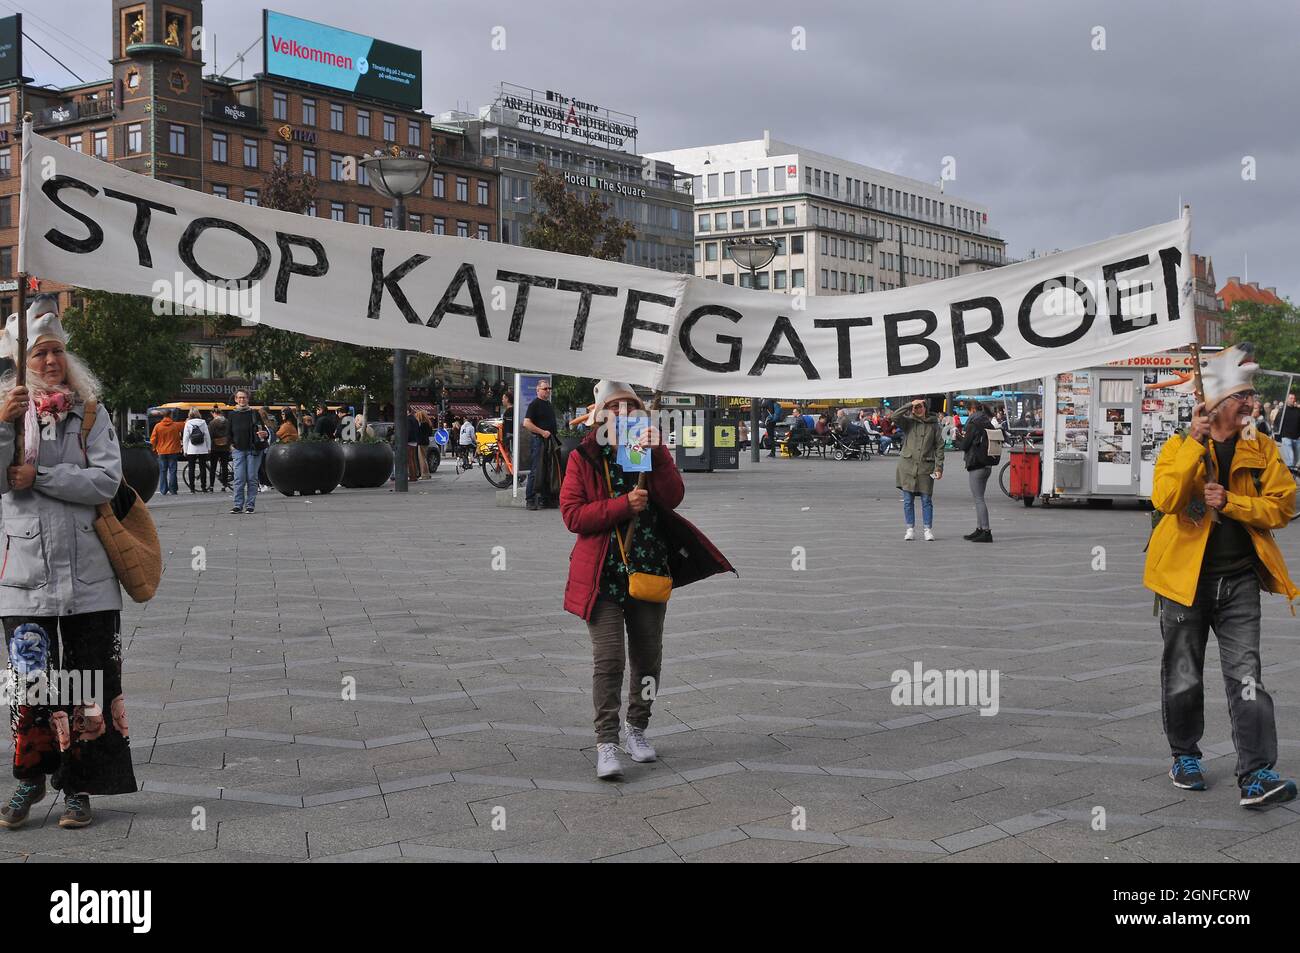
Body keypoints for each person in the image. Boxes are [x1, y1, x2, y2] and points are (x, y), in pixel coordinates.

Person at [0, 299, 136, 829]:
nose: (50, 361)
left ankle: (80, 788)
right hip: (22, 573)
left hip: (90, 575)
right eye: (39, 354)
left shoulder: (91, 410)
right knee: (32, 684)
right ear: (21, 363)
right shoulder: (7, 409)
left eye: (56, 351)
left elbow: (105, 480)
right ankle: (31, 781)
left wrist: (43, 478)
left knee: (89, 682)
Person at [1144, 344, 1298, 808]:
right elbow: (1166, 499)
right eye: (1243, 396)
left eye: (1251, 396)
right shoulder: (1179, 445)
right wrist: (1194, 442)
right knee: (1184, 674)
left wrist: (1232, 503)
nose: (1251, 403)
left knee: (1247, 674)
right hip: (1183, 583)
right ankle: (1184, 755)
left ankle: (1256, 772)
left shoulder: (1262, 447)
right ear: (1216, 403)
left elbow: (1285, 505)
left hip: (1238, 582)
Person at [559, 380, 733, 780]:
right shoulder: (584, 455)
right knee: (609, 661)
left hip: (648, 569)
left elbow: (672, 497)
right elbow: (573, 516)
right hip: (602, 574)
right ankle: (606, 741)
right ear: (600, 413)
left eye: (629, 407)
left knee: (648, 659)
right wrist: (623, 505)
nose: (622, 414)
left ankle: (637, 729)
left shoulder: (644, 446)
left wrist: (657, 453)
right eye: (614, 408)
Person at [892, 397, 944, 540]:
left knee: (926, 499)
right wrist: (910, 404)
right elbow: (894, 416)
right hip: (907, 467)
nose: (917, 409)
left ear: (925, 408)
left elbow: (939, 446)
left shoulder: (934, 425)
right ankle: (910, 529)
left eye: (920, 407)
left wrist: (939, 467)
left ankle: (928, 529)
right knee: (908, 500)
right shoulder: (908, 422)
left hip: (925, 467)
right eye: (915, 408)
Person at [956, 402, 994, 542]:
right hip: (987, 464)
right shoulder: (987, 422)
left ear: (972, 410)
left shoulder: (974, 423)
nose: (968, 413)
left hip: (976, 464)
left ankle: (986, 530)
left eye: (968, 411)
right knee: (980, 498)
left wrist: (957, 439)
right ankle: (979, 528)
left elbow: (965, 445)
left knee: (978, 499)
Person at [228, 389, 268, 514]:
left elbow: (263, 432)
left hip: (253, 450)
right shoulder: (232, 414)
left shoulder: (254, 413)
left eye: (244, 397)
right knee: (239, 478)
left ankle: (250, 505)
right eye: (239, 398)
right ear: (235, 399)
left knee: (252, 477)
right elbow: (228, 433)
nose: (242, 400)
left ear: (248, 399)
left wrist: (264, 434)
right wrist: (231, 446)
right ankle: (238, 505)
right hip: (238, 450)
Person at [523, 379, 558, 510]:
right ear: (538, 390)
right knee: (536, 469)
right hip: (539, 440)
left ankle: (545, 498)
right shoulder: (535, 404)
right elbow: (526, 423)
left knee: (548, 469)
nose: (548, 391)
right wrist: (542, 432)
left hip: (549, 441)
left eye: (549, 388)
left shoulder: (548, 404)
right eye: (545, 389)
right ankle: (530, 499)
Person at [150, 409, 184, 496]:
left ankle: (163, 490)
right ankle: (173, 489)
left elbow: (153, 439)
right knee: (173, 471)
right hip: (173, 451)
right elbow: (185, 424)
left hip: (161, 451)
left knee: (163, 471)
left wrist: (153, 449)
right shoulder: (176, 426)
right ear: (171, 415)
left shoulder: (158, 426)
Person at [182, 407, 211, 493]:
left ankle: (192, 488)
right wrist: (208, 448)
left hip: (191, 449)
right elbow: (207, 436)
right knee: (202, 468)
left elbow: (185, 438)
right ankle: (204, 487)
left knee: (191, 468)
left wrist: (185, 450)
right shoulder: (203, 422)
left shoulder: (188, 423)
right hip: (202, 448)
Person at [1274, 392, 1299, 470]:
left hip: (1297, 438)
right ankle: (1291, 479)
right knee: (1290, 460)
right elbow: (1276, 423)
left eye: (1294, 398)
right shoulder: (1282, 411)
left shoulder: (1298, 411)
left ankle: (1291, 476)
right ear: (1287, 399)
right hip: (1286, 437)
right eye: (1291, 398)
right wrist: (1277, 436)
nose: (1293, 400)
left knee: (1295, 460)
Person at [208, 408, 230, 491]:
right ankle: (224, 485)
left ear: (214, 413)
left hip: (215, 447)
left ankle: (211, 486)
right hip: (225, 447)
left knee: (213, 467)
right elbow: (230, 433)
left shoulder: (212, 423)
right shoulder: (227, 422)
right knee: (224, 466)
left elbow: (210, 435)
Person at [416, 410, 433, 478]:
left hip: (421, 442)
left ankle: (424, 474)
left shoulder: (421, 424)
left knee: (422, 458)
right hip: (426, 441)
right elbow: (430, 433)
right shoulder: (428, 424)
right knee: (424, 458)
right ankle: (427, 473)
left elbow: (418, 433)